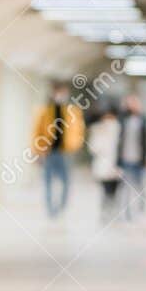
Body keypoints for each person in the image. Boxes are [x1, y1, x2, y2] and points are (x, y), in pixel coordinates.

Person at [30, 82, 85, 217]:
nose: (61, 95)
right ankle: (51, 210)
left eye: (63, 93)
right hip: (49, 152)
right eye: (58, 93)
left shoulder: (73, 111)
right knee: (48, 181)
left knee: (66, 181)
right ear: (53, 93)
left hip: (65, 152)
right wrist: (36, 151)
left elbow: (79, 131)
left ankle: (61, 207)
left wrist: (75, 145)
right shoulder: (44, 111)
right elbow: (36, 132)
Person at [118, 93, 146, 220]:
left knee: (142, 188)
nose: (132, 105)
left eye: (134, 102)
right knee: (126, 189)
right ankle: (127, 214)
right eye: (129, 103)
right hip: (126, 160)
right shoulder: (122, 120)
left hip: (142, 161)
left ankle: (141, 213)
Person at [89, 107, 122, 222]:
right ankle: (107, 211)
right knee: (107, 190)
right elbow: (93, 148)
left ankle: (111, 210)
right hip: (104, 166)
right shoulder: (98, 129)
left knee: (112, 190)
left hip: (115, 165)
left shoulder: (120, 129)